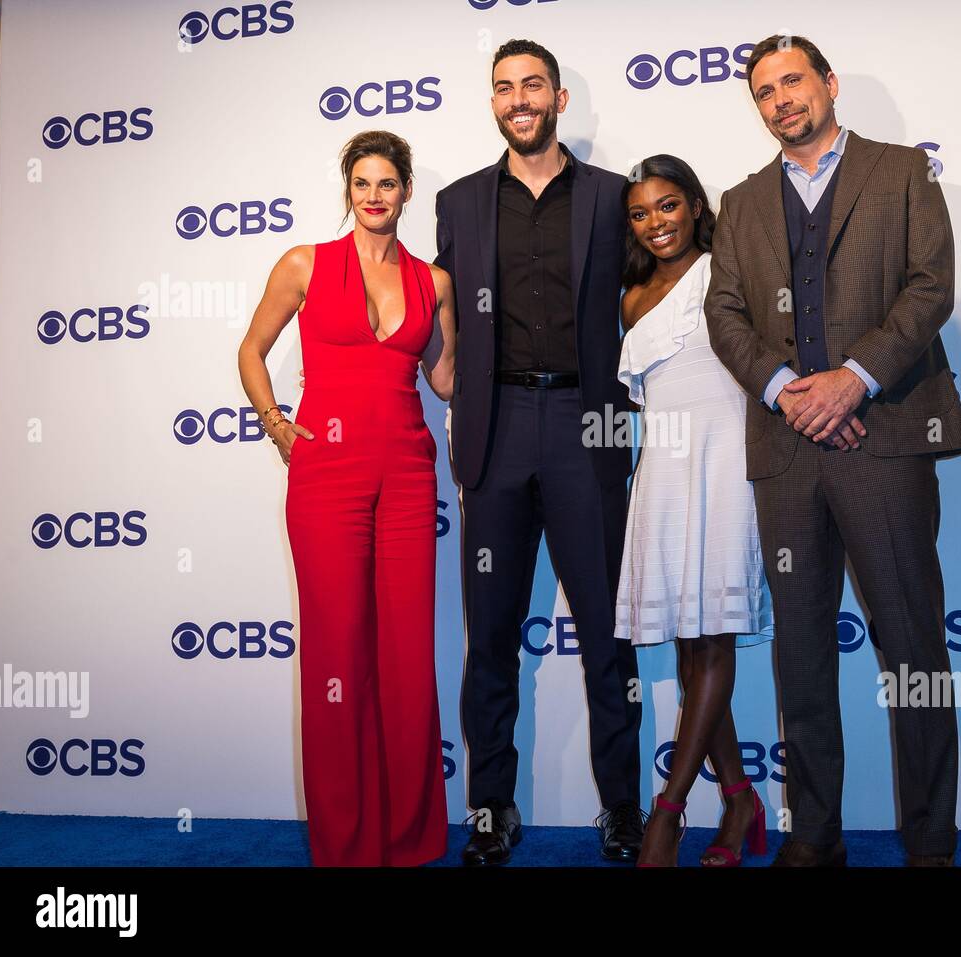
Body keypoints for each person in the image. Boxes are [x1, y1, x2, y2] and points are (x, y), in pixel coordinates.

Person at [704, 35, 961, 867]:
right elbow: (725, 314)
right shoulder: (741, 200)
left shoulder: (902, 172)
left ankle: (930, 845)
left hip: (886, 439)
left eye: (793, 82)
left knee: (913, 650)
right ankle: (814, 838)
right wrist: (790, 387)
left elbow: (931, 285)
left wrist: (852, 380)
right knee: (802, 652)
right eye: (764, 91)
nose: (781, 100)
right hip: (788, 450)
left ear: (828, 84)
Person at [433, 39, 644, 865]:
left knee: (608, 634)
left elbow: (655, 290)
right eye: (503, 88)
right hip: (496, 428)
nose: (518, 99)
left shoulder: (613, 196)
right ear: (493, 103)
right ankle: (490, 807)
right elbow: (435, 301)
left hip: (588, 428)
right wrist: (439, 369)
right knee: (489, 636)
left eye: (533, 86)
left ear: (559, 98)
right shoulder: (457, 202)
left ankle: (622, 808)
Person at [237, 130, 456, 866]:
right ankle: (346, 841)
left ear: (406, 191)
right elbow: (251, 349)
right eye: (361, 183)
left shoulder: (435, 281)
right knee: (338, 653)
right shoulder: (305, 263)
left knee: (404, 654)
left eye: (387, 183)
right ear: (347, 190)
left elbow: (447, 379)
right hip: (326, 475)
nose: (373, 196)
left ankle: (410, 834)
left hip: (406, 473)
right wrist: (277, 424)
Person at [615, 155, 774, 868]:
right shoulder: (631, 297)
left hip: (726, 464)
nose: (657, 223)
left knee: (710, 641)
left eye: (669, 206)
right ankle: (739, 796)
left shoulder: (726, 269)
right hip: (665, 473)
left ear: (695, 206)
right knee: (689, 645)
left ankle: (668, 813)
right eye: (642, 213)